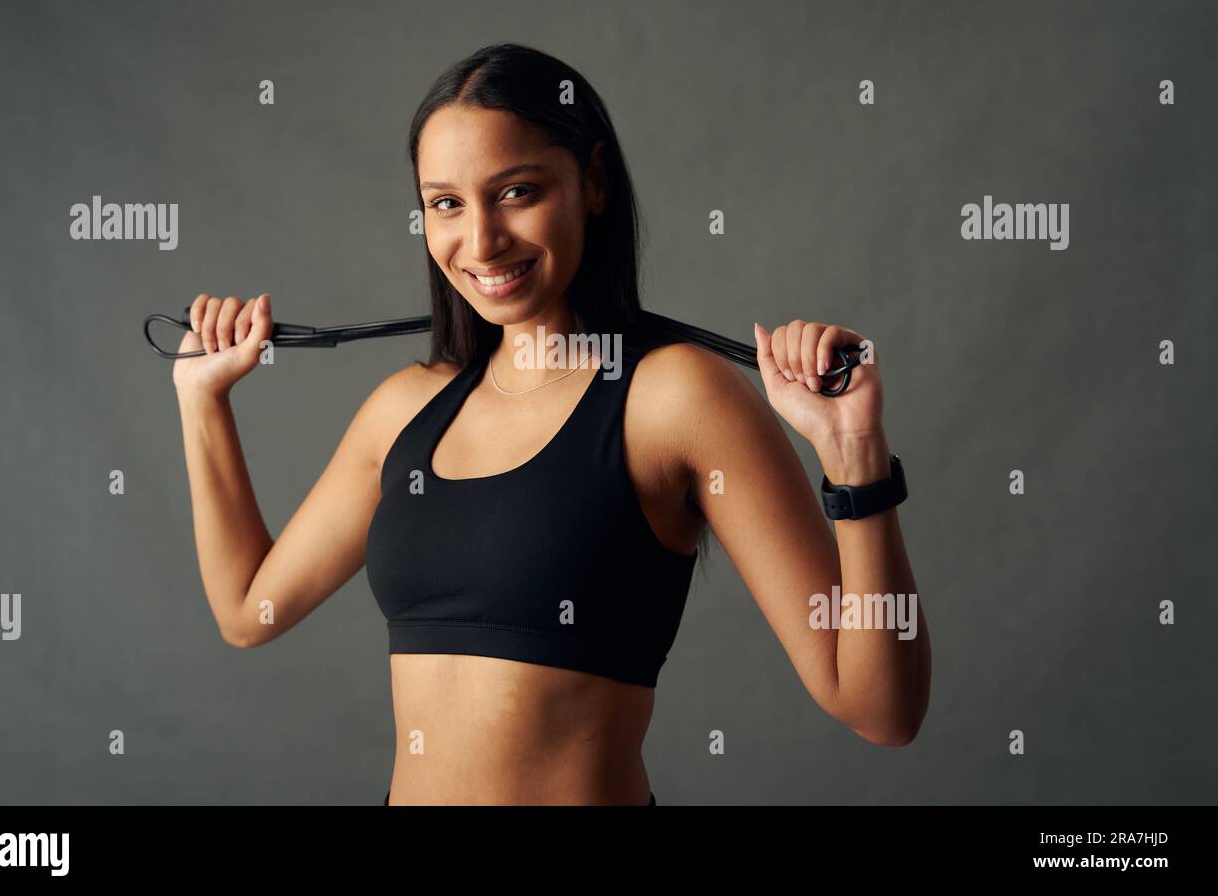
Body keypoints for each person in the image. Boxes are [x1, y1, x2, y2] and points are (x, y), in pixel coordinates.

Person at [169, 43, 930, 805]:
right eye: (446, 203)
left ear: (592, 181)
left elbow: (879, 709)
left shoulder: (676, 398)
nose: (481, 240)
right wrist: (202, 399)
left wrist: (855, 455)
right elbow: (248, 609)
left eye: (516, 191)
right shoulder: (405, 410)